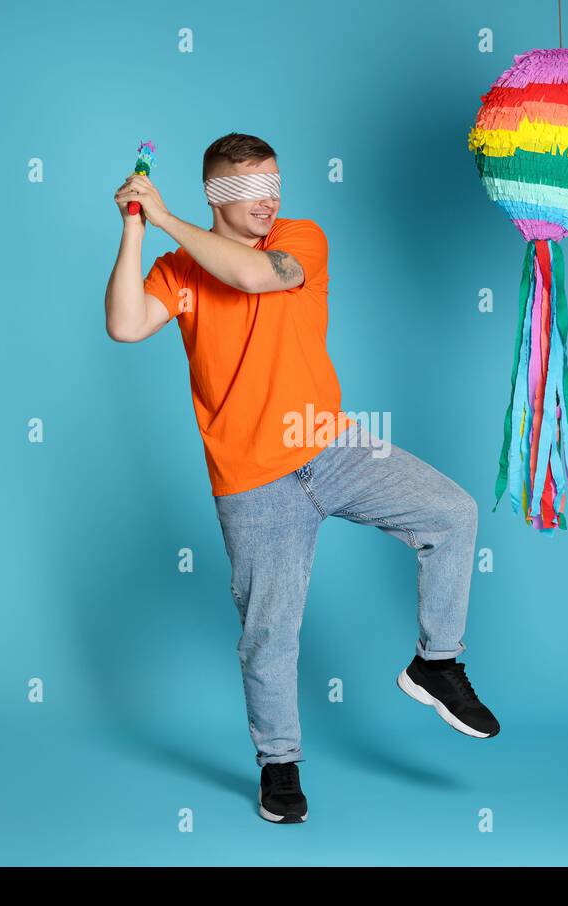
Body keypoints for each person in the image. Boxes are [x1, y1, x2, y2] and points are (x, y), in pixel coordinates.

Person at [104, 132, 499, 824]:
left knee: (453, 513)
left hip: (328, 446)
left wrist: (166, 217)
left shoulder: (300, 240)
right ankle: (279, 766)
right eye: (247, 188)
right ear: (215, 194)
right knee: (271, 633)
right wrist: (136, 231)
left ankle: (438, 661)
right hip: (251, 480)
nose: (267, 200)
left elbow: (256, 276)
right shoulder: (178, 272)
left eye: (273, 183)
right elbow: (124, 323)